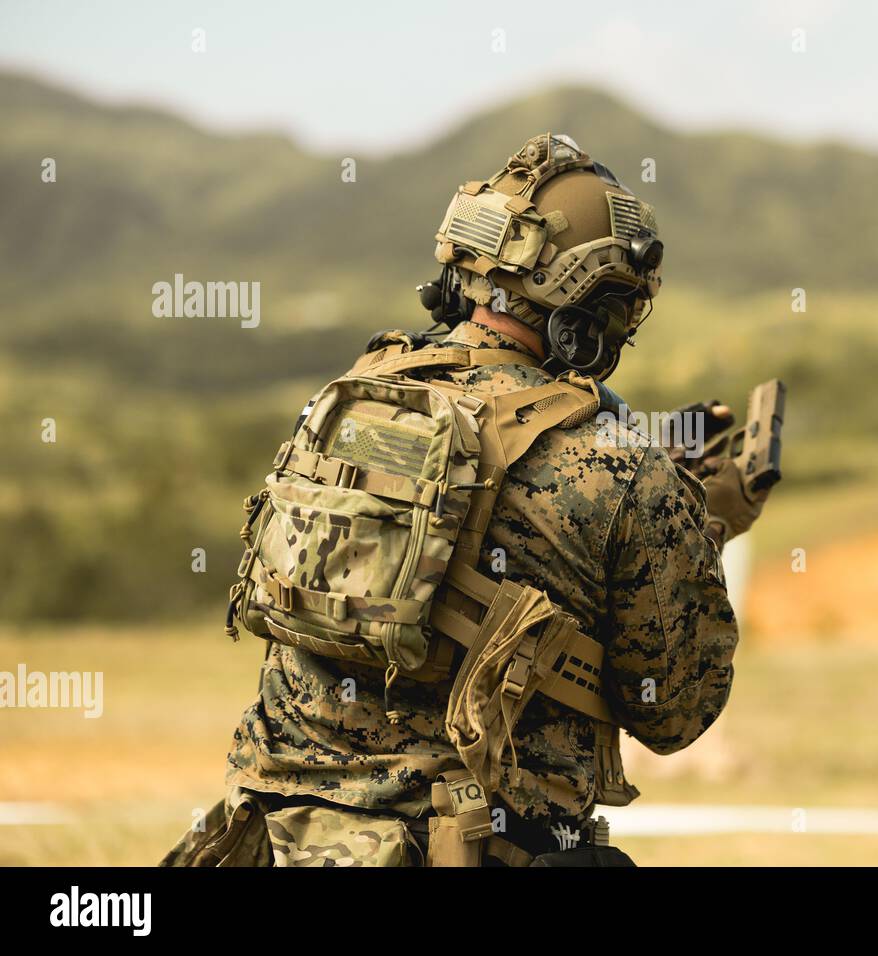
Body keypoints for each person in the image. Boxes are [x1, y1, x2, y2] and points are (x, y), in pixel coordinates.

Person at [163, 133, 768, 867]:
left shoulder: (345, 406)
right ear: (594, 302)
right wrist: (692, 524)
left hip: (271, 841)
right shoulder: (626, 472)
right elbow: (674, 711)